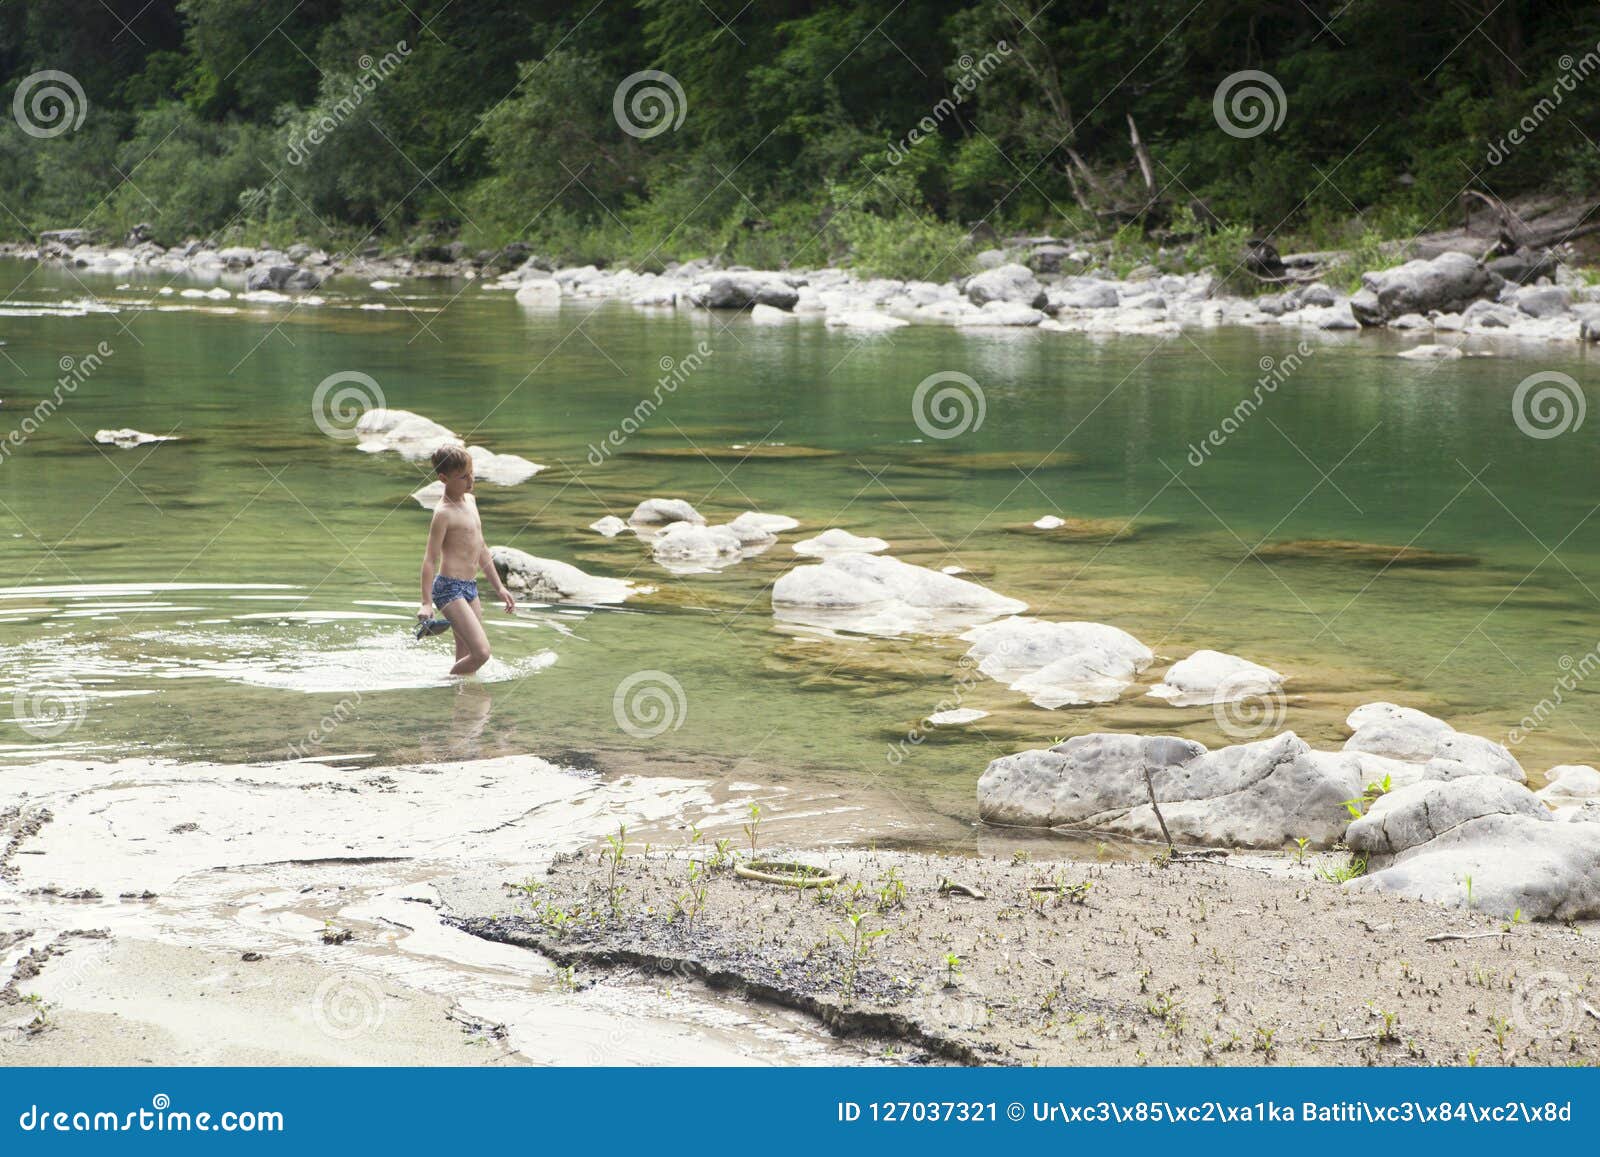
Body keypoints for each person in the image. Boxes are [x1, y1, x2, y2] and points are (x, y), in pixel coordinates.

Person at [417, 445, 516, 675]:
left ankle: (463, 706)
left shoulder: (471, 502)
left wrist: (499, 587)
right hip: (449, 589)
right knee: (481, 653)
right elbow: (430, 559)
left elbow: (481, 548)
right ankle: (444, 686)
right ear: (443, 478)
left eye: (472, 473)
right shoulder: (443, 513)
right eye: (463, 477)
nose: (470, 481)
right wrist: (426, 602)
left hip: (470, 588)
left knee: (466, 656)